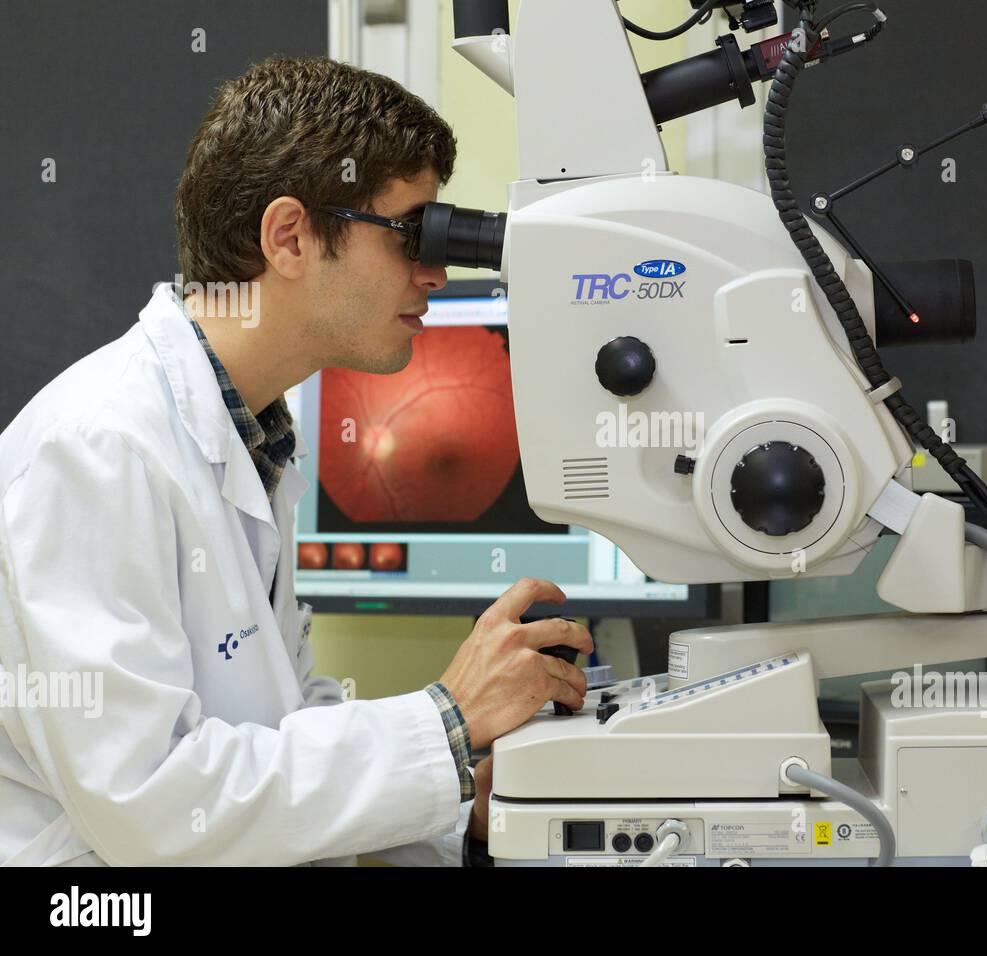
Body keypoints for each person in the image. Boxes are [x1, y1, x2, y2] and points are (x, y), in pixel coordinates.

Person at [0, 55, 591, 866]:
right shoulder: (97, 449)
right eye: (414, 234)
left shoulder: (254, 438)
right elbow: (150, 807)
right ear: (290, 237)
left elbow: (278, 732)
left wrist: (460, 807)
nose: (437, 272)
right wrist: (446, 719)